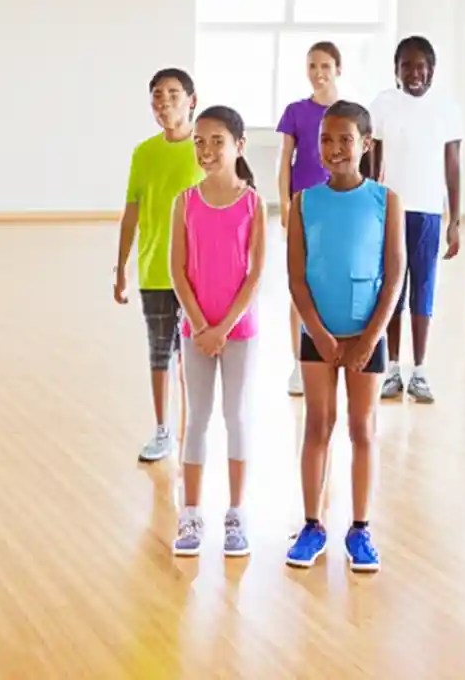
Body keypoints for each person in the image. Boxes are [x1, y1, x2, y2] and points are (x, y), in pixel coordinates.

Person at [285, 101, 405, 573]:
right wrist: (318, 332)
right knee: (318, 425)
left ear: (365, 144)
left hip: (366, 337)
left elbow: (394, 275)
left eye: (345, 140)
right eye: (326, 140)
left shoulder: (385, 200)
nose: (334, 149)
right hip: (319, 335)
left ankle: (360, 529)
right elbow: (297, 277)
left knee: (362, 428)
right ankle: (312, 524)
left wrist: (369, 339)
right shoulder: (304, 202)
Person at [168, 106, 266, 557]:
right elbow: (177, 269)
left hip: (238, 331)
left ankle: (237, 513)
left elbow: (255, 274)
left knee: (236, 416)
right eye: (200, 142)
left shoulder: (253, 203)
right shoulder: (184, 202)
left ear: (238, 146)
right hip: (196, 329)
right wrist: (201, 326)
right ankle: (189, 514)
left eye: (217, 141)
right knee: (197, 419)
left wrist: (222, 328)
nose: (206, 150)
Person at [115, 68, 206, 462]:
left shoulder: (204, 150)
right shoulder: (143, 152)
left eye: (172, 93)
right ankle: (163, 430)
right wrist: (121, 267)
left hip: (198, 273)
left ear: (191, 100)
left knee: (193, 356)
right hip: (154, 269)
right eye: (156, 95)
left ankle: (192, 430)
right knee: (159, 353)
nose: (163, 101)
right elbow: (132, 211)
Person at [368, 35, 463, 403]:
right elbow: (372, 160)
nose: (414, 73)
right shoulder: (383, 105)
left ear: (432, 71)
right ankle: (392, 368)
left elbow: (452, 165)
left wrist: (455, 219)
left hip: (427, 213)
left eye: (421, 65)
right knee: (393, 289)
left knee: (423, 288)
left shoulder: (446, 109)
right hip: (389, 210)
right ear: (396, 71)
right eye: (406, 66)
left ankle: (419, 371)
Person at [276, 41, 341, 397]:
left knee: (334, 285)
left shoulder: (349, 112)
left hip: (340, 211)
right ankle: (299, 365)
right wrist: (285, 205)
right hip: (304, 209)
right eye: (313, 66)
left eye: (325, 66)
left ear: (338, 70)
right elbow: (284, 160)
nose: (318, 73)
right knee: (299, 286)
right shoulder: (296, 111)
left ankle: (333, 356)